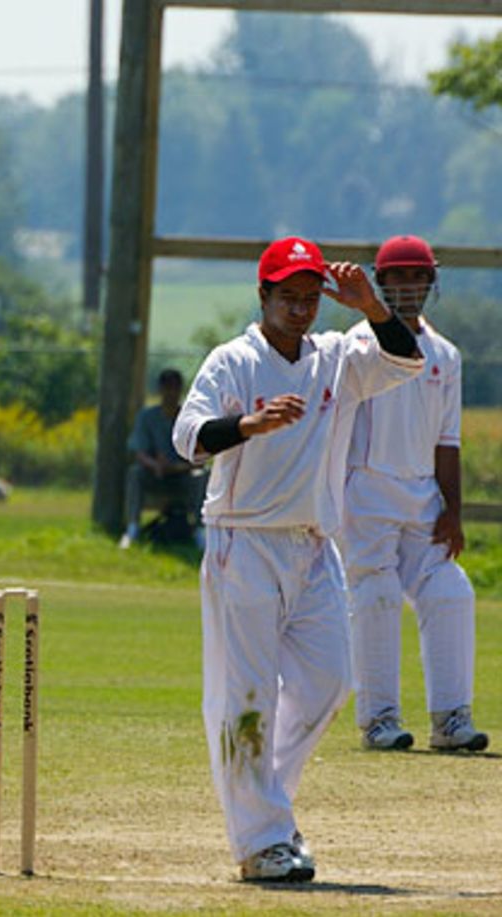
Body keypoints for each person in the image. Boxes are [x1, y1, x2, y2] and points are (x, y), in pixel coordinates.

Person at [172, 236, 424, 883]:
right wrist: (246, 427)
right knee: (246, 695)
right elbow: (187, 436)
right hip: (243, 542)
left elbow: (405, 361)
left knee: (329, 684)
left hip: (313, 547)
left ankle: (267, 811)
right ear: (263, 295)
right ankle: (262, 841)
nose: (302, 309)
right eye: (289, 297)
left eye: (312, 297)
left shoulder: (337, 358)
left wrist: (370, 306)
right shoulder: (233, 361)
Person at [341, 235, 487, 753]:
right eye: (396, 277)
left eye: (416, 276)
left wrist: (455, 511)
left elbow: (448, 440)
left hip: (422, 498)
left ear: (431, 282)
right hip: (364, 495)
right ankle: (379, 719)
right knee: (376, 598)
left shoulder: (445, 354)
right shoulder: (355, 347)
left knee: (451, 592)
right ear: (379, 283)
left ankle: (450, 720)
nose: (407, 286)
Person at [120, 367, 206, 549]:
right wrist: (155, 465)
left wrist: (175, 467)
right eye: (167, 388)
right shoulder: (147, 417)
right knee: (134, 473)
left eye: (175, 388)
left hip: (182, 476)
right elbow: (139, 452)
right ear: (160, 390)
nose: (171, 393)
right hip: (155, 474)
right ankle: (132, 528)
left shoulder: (190, 418)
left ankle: (200, 530)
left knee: (202, 476)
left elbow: (200, 458)